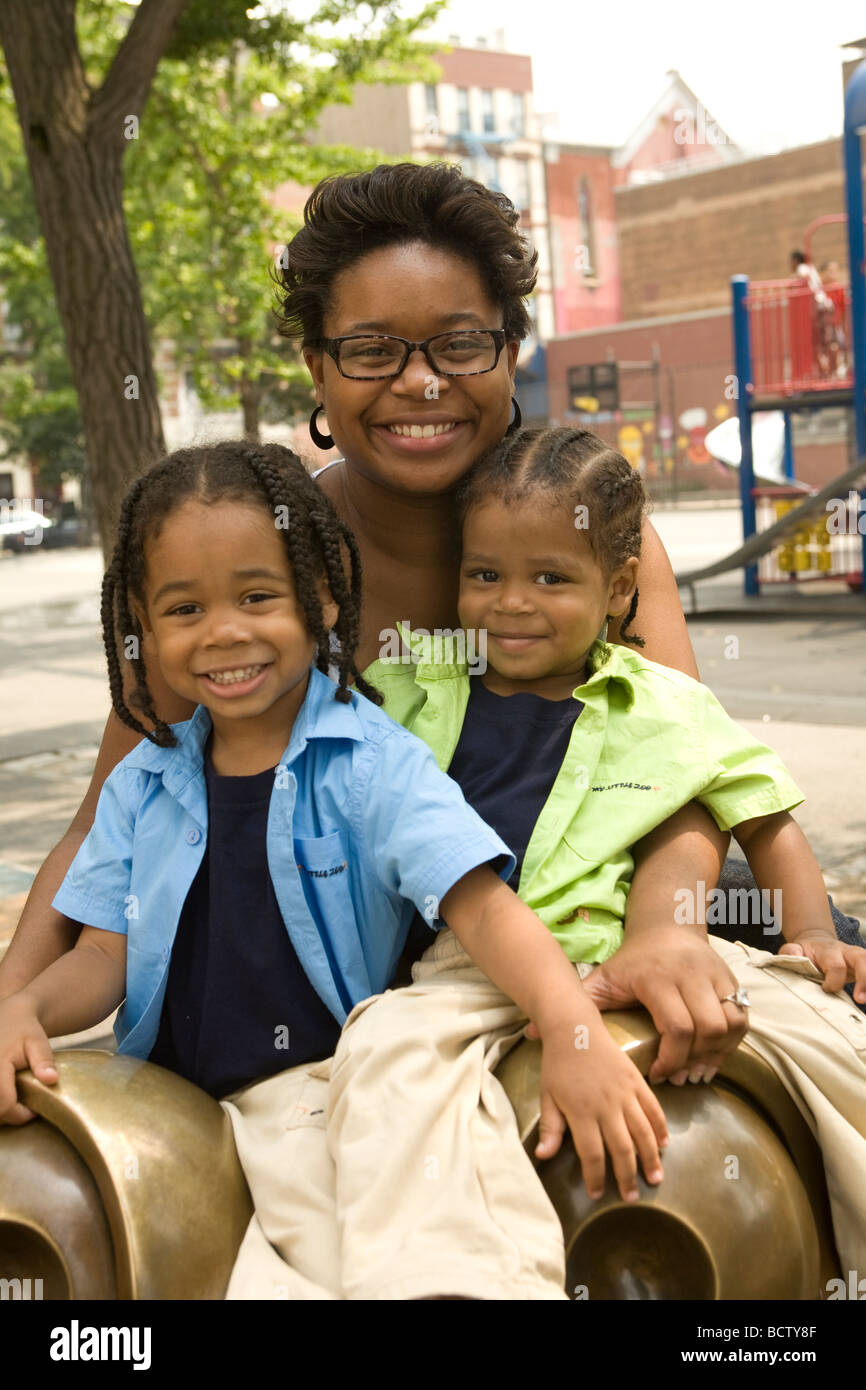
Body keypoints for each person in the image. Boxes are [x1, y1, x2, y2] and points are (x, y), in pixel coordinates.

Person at [0, 164, 857, 1142]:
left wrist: (667, 928)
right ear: (317, 371)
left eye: (458, 343)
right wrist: (12, 1001)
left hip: (599, 924)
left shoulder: (585, 533)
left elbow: (672, 766)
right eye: (370, 350)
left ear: (509, 351)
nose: (420, 381)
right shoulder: (242, 563)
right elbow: (106, 821)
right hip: (374, 1001)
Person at [0, 440, 672, 1301]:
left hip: (318, 1098)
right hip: (174, 1108)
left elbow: (484, 910)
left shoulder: (371, 764)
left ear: (320, 598)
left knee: (361, 1267)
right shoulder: (144, 783)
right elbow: (103, 958)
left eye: (257, 597)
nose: (224, 632)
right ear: (143, 622)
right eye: (184, 609)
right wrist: (25, 1006)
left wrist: (572, 1027)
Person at [332, 425, 866, 1284]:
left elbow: (764, 816)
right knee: (383, 1069)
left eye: (551, 578)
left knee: (836, 1054)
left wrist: (809, 931)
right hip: (465, 969)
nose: (511, 603)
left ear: (619, 590)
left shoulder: (662, 704)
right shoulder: (415, 687)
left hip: (626, 949)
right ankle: (448, 1273)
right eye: (485, 576)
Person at [791, 249, 837, 377]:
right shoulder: (811, 268)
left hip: (818, 308)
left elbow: (802, 278)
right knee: (826, 341)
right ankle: (831, 371)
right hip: (825, 306)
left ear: (795, 261)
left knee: (818, 343)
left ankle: (827, 372)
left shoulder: (802, 268)